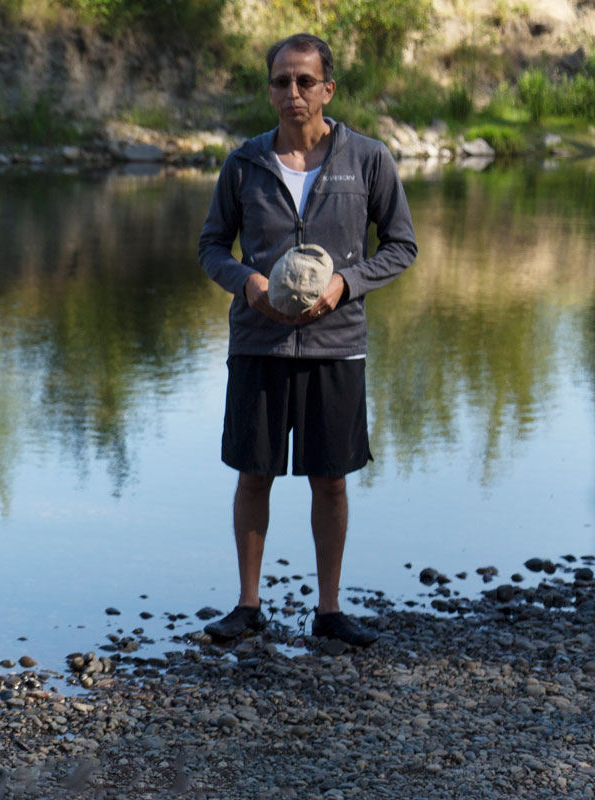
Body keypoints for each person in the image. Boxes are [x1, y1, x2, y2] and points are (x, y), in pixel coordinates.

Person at [196, 33, 417, 647]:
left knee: (332, 478)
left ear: (328, 89)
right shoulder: (244, 163)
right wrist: (248, 285)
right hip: (259, 344)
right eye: (280, 81)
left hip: (336, 345)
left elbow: (401, 246)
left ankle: (329, 611)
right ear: (269, 89)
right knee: (253, 472)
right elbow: (211, 247)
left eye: (304, 81)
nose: (292, 93)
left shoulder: (368, 159)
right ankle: (246, 606)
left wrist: (347, 282)